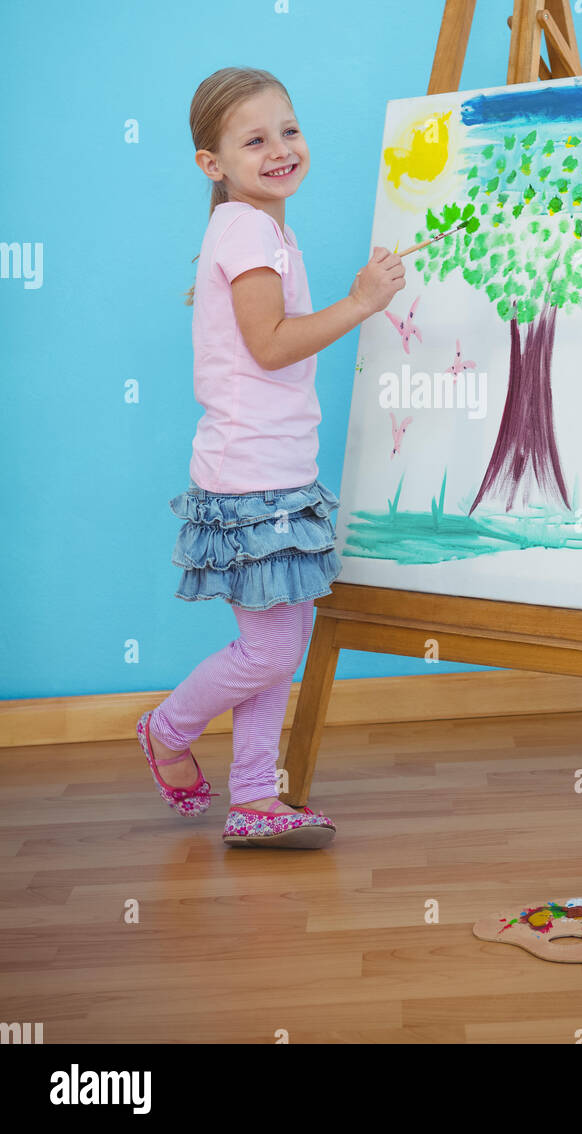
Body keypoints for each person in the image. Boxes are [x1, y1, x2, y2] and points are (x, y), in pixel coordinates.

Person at [137, 66, 404, 848]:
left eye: (289, 129)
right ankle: (165, 729)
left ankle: (256, 795)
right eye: (255, 140)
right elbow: (270, 344)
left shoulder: (263, 227)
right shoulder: (249, 230)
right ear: (211, 164)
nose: (281, 149)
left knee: (273, 648)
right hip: (251, 481)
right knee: (274, 647)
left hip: (277, 475)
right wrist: (359, 304)